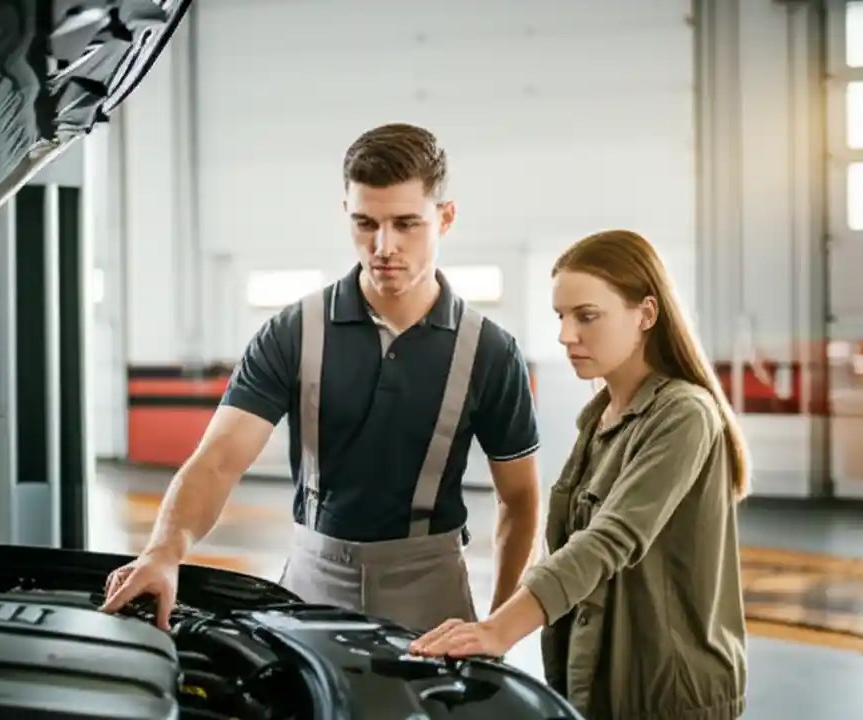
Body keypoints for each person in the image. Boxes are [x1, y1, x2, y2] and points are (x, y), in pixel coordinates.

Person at [99, 123, 542, 632]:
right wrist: (163, 550)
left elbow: (521, 500)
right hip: (313, 577)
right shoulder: (294, 332)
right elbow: (217, 461)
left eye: (405, 223)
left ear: (445, 218)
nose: (383, 245)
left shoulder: (490, 351)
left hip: (430, 589)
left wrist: (498, 628)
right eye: (365, 223)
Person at [410, 229, 749, 720]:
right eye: (561, 317)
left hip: (668, 695)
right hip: (598, 681)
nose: (567, 335)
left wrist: (499, 629)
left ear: (646, 314)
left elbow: (610, 539)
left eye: (587, 316)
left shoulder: (684, 414)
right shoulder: (600, 416)